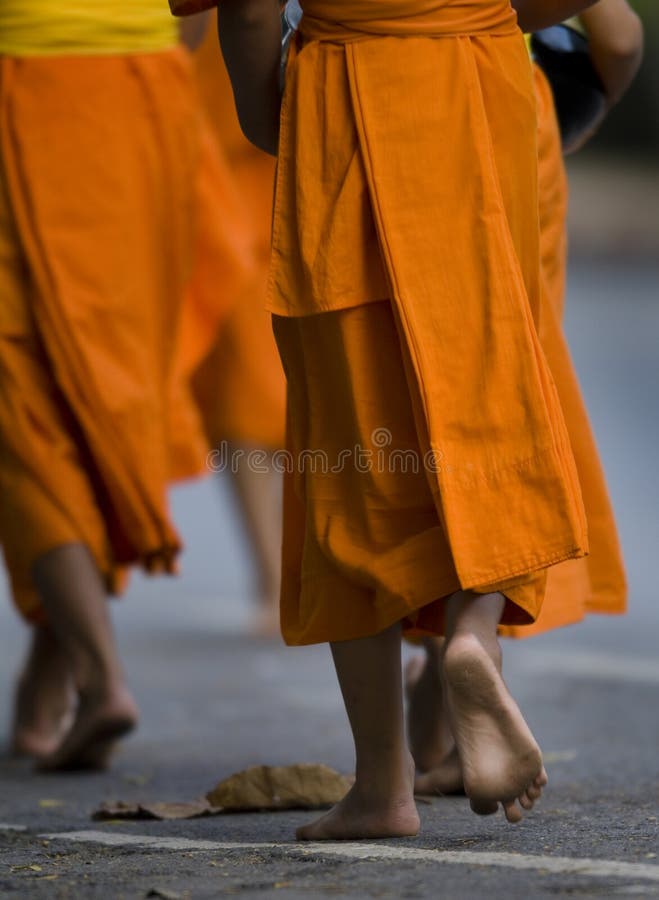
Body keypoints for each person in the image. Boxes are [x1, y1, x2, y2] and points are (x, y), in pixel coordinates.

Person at [217, 0, 603, 840]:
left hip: (340, 94)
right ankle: (473, 634)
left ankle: (381, 788)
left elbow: (249, 10)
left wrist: (264, 111)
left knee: (354, 439)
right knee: (489, 381)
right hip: (476, 83)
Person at [406, 0, 643, 798]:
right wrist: (575, 111)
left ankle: (432, 700)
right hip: (509, 111)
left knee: (398, 388)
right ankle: (470, 640)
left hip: (374, 111)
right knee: (503, 380)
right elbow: (617, 34)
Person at [1, 2, 233, 770]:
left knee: (21, 407)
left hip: (25, 86)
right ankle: (51, 672)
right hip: (144, 102)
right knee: (102, 387)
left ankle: (97, 678)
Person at [190, 27, 286, 636]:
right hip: (235, 160)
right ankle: (276, 574)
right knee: (251, 387)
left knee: (257, 386)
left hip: (246, 160)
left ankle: (282, 575)